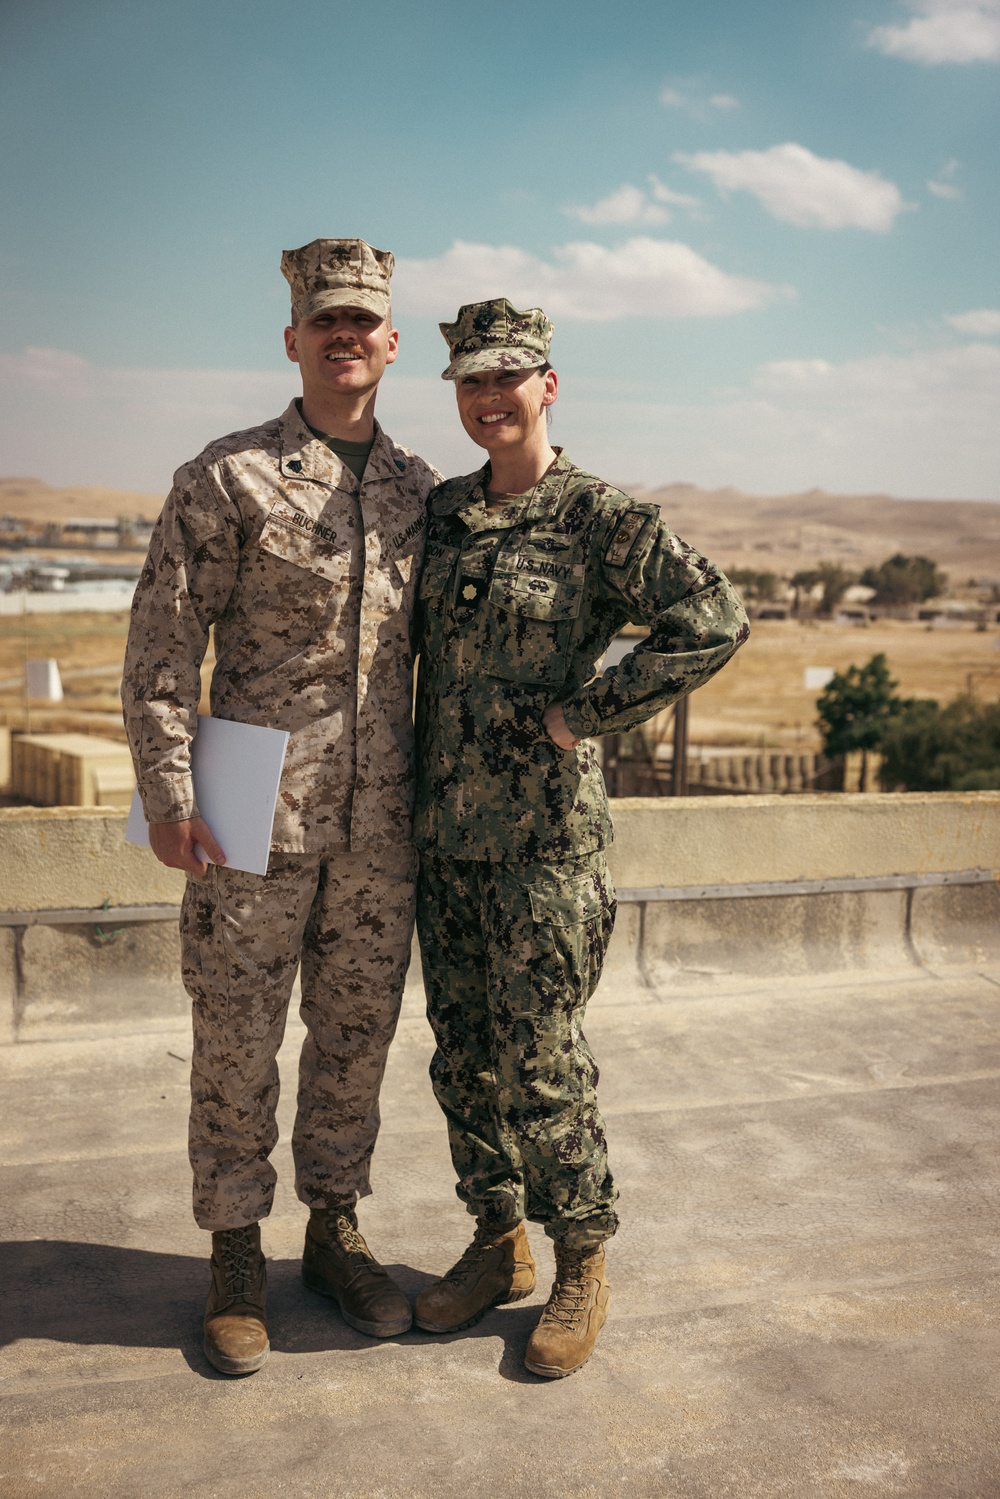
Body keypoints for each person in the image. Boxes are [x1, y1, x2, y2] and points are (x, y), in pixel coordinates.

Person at [411, 298, 749, 1378]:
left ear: (548, 385)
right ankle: (496, 1238)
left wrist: (582, 713)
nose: (490, 397)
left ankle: (580, 1257)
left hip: (545, 849)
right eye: (471, 380)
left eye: (508, 377)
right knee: (462, 1055)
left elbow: (713, 619)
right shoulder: (444, 513)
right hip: (446, 841)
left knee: (542, 1063)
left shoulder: (601, 518)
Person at [122, 239, 440, 1376]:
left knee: (355, 1034)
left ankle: (334, 1229)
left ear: (393, 344)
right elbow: (163, 643)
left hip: (380, 814)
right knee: (236, 1033)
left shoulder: (418, 491)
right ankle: (234, 1250)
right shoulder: (228, 474)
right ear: (294, 339)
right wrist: (169, 791)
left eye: (366, 320)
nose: (346, 335)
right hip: (246, 791)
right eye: (327, 320)